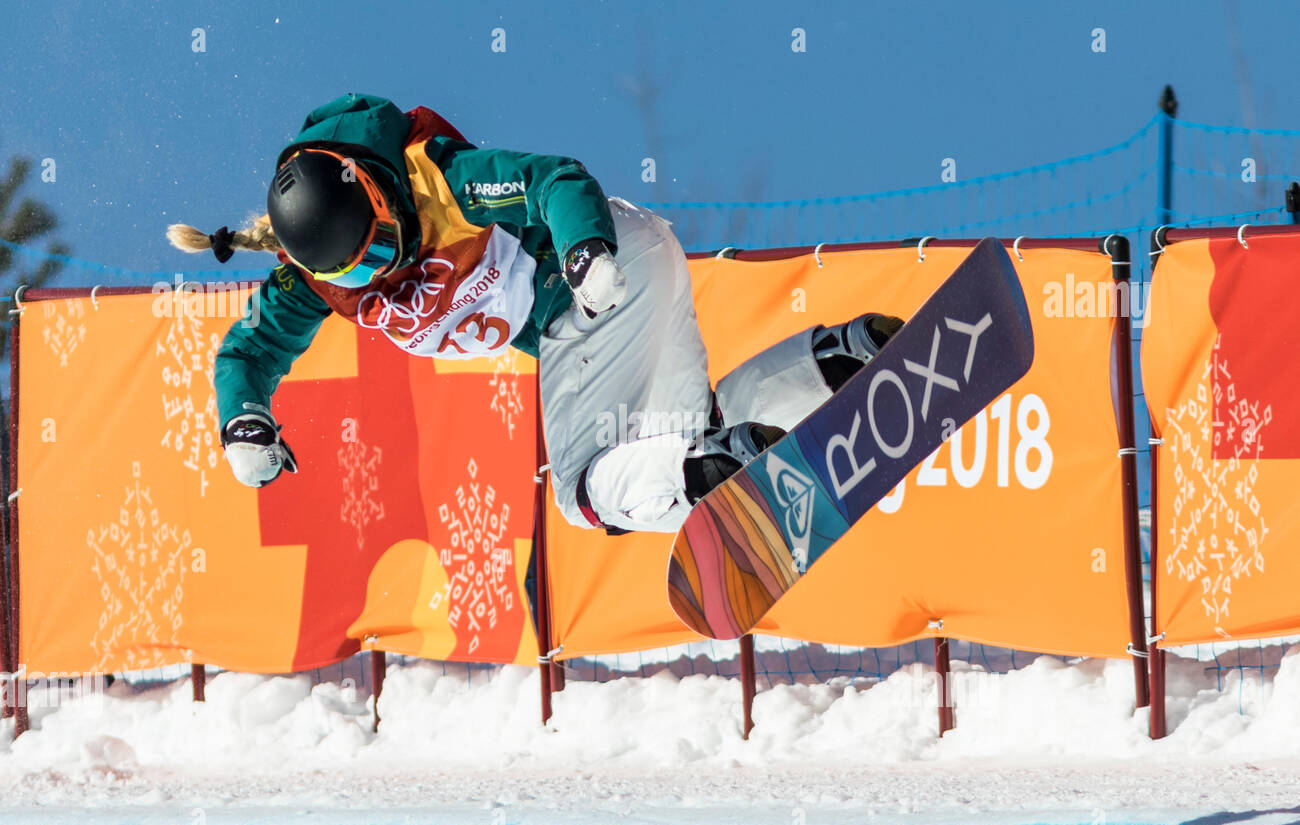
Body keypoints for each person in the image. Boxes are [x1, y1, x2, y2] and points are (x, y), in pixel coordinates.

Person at [170, 93, 900, 534]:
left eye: (381, 242)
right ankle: (837, 364)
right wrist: (245, 423)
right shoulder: (316, 284)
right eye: (357, 268)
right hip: (635, 268)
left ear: (373, 188)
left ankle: (717, 468)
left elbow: (550, 177)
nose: (380, 269)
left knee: (584, 491)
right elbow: (248, 354)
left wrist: (584, 253)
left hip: (589, 291)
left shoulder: (438, 178)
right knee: (679, 440)